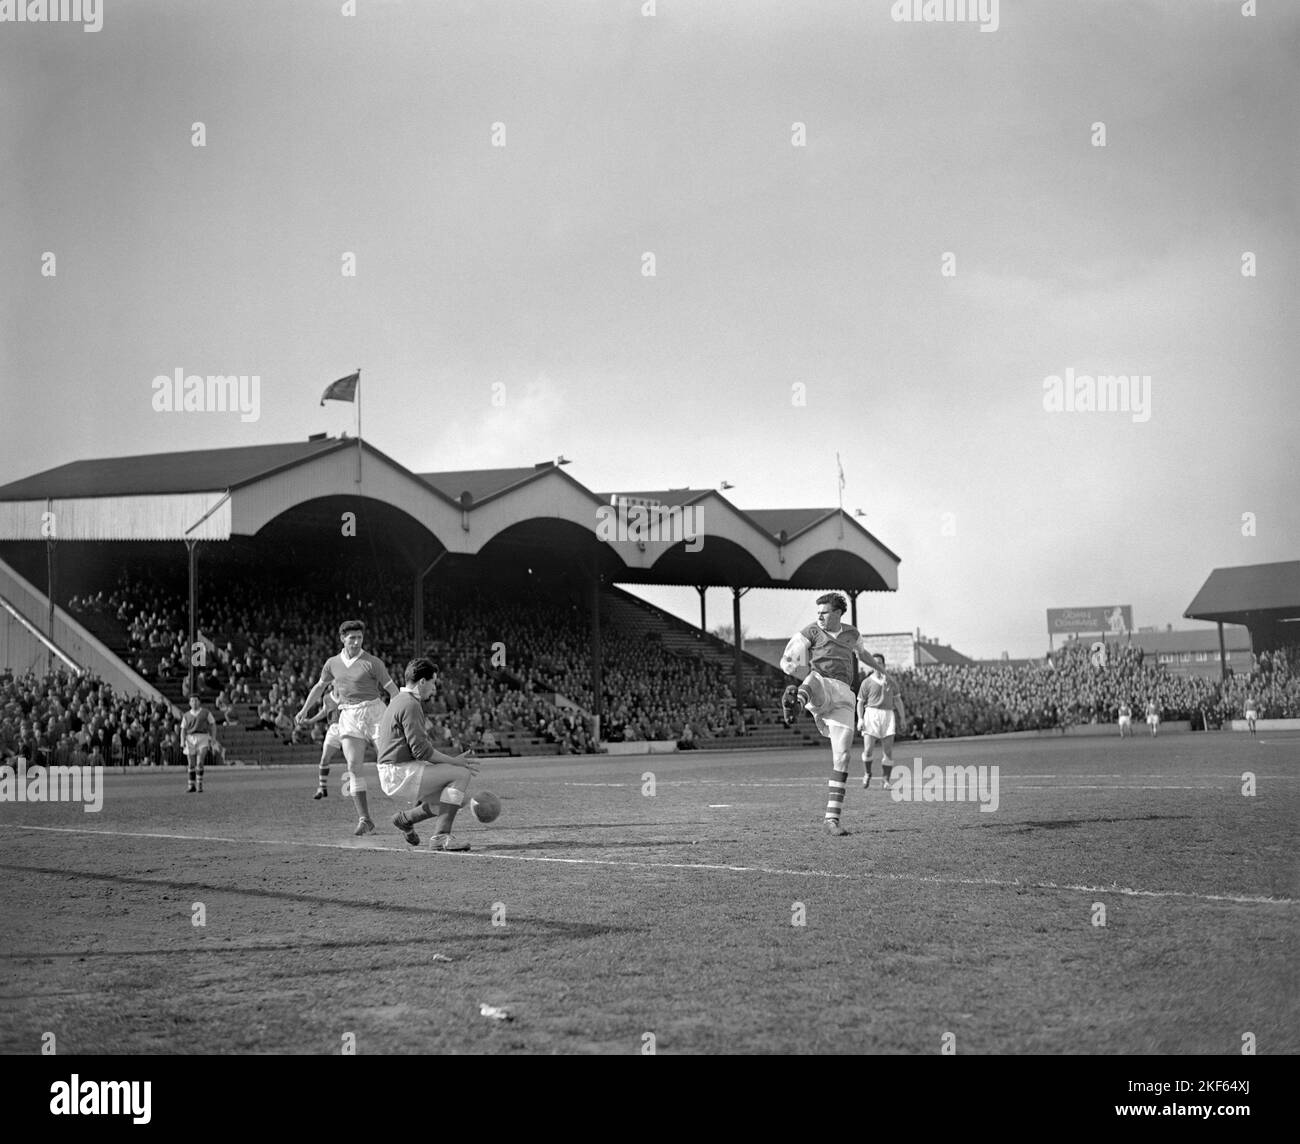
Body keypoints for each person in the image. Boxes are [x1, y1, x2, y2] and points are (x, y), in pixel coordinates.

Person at [780, 592, 883, 836]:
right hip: (821, 685)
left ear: (837, 613)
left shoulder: (852, 634)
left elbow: (863, 653)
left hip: (844, 697)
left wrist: (880, 669)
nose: (820, 617)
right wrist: (789, 664)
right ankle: (794, 705)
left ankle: (831, 820)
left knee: (843, 757)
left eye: (824, 613)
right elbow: (792, 653)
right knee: (814, 678)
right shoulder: (812, 632)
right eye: (818, 613)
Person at [296, 620, 399, 836]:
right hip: (349, 715)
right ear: (342, 638)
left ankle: (416, 799)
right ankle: (365, 819)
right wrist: (305, 709)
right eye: (352, 637)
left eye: (359, 637)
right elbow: (319, 687)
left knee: (388, 763)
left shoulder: (373, 662)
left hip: (375, 714)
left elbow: (393, 691)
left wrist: (400, 715)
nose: (356, 641)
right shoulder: (332, 663)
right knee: (353, 766)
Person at [379, 658, 480, 852]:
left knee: (457, 799)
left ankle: (405, 819)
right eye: (433, 682)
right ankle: (441, 838)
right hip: (398, 771)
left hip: (395, 770)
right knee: (461, 775)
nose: (434, 688)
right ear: (422, 682)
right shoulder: (410, 704)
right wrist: (455, 762)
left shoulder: (400, 700)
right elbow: (421, 751)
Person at [858, 660, 907, 790]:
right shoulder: (866, 682)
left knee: (888, 751)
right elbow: (860, 702)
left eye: (880, 662)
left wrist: (902, 718)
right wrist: (860, 719)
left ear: (884, 665)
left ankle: (885, 780)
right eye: (874, 662)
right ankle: (867, 773)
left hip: (888, 715)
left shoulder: (891, 681)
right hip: (871, 715)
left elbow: (897, 700)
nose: (877, 665)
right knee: (868, 750)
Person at [179, 694, 217, 793]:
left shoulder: (205, 712)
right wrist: (182, 741)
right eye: (192, 701)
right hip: (190, 738)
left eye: (196, 700)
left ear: (199, 702)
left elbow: (212, 724)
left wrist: (213, 737)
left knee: (200, 761)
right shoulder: (186, 715)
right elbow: (183, 729)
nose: (194, 703)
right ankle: (191, 785)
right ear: (189, 703)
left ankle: (199, 784)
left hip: (203, 737)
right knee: (191, 763)